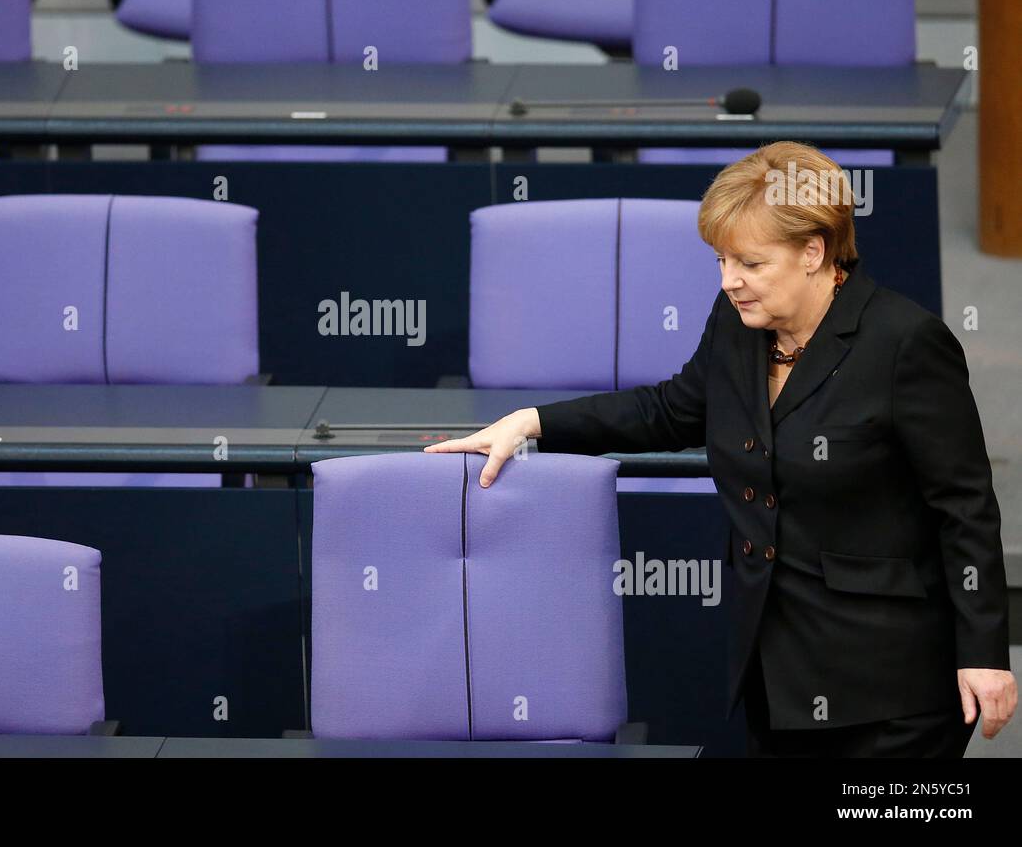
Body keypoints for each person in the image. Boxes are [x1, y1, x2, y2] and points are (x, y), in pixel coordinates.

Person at [426, 141, 1016, 757]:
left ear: (813, 252)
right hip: (776, 670)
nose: (730, 281)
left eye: (750, 264)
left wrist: (983, 656)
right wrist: (533, 422)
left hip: (892, 686)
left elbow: (964, 507)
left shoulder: (906, 344)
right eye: (721, 260)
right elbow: (671, 410)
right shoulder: (740, 323)